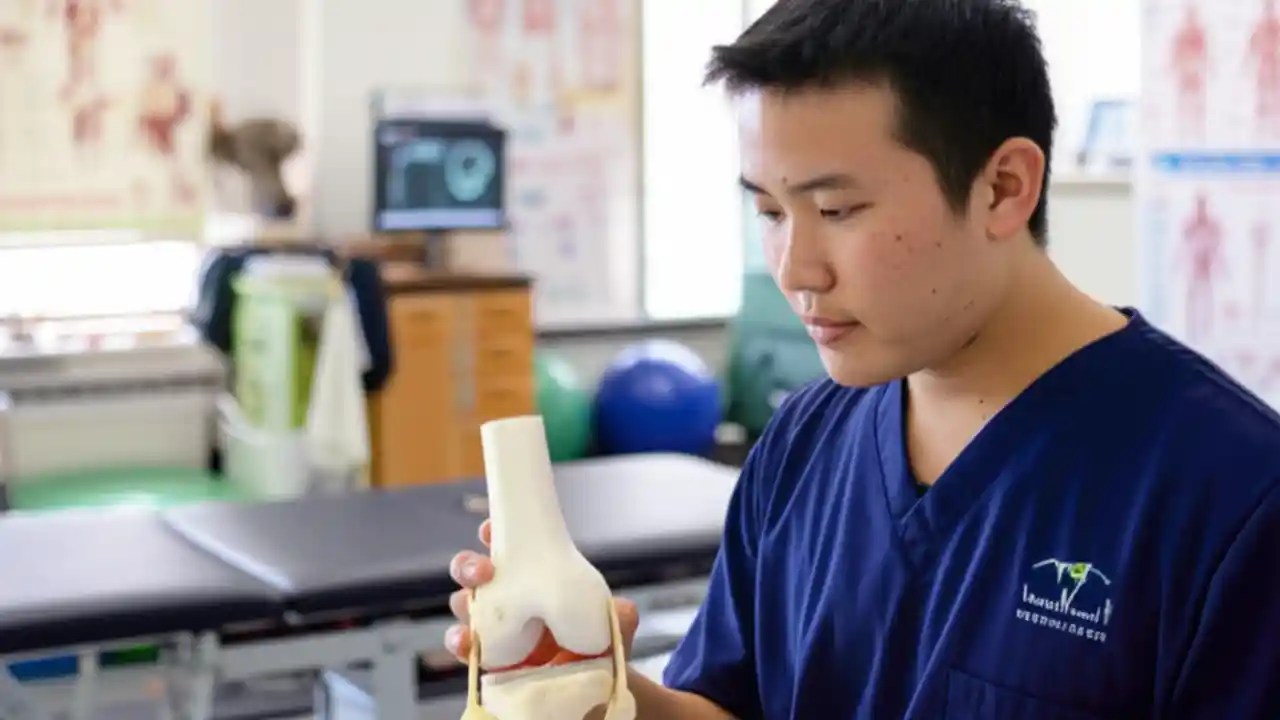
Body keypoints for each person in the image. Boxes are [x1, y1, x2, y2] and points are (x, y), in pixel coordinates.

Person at [447, 0, 1280, 717]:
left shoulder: (1230, 498)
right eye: (770, 213)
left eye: (837, 209)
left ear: (1003, 187)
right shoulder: (803, 442)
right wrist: (605, 694)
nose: (795, 270)